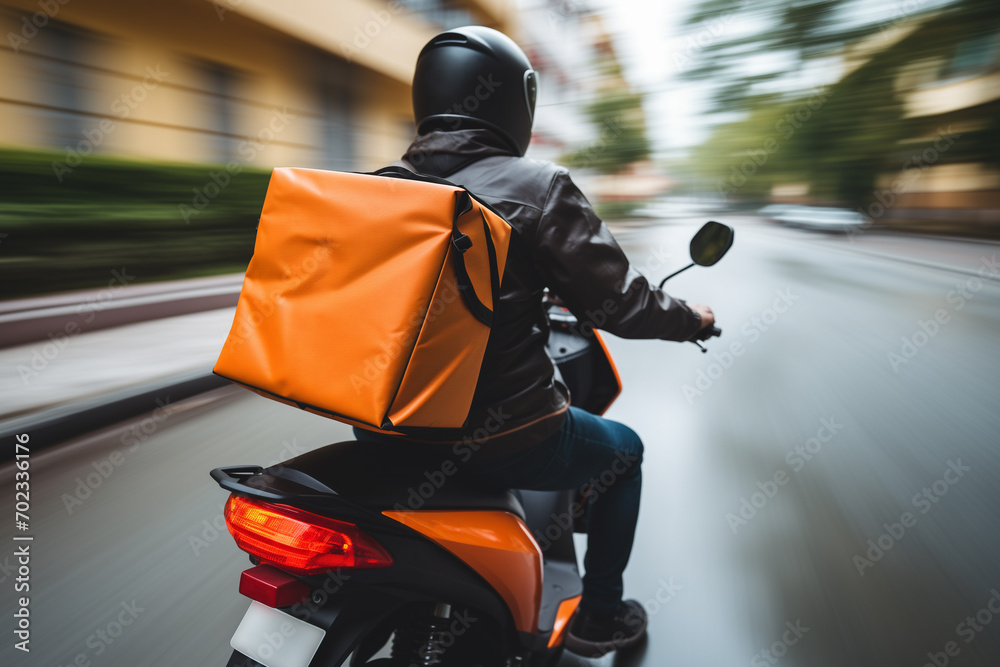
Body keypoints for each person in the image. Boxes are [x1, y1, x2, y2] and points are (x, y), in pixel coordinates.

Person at [353, 25, 715, 658]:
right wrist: (695, 318)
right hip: (500, 434)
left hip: (376, 426)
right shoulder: (537, 187)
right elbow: (620, 304)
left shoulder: (379, 189)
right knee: (624, 453)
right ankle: (600, 617)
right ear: (512, 104)